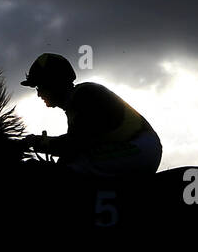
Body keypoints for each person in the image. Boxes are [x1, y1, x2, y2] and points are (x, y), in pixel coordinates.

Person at [18, 53, 162, 177]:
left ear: (55, 83)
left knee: (74, 167)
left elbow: (74, 146)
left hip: (139, 148)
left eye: (40, 86)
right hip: (138, 148)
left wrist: (34, 143)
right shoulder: (76, 102)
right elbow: (74, 147)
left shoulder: (85, 95)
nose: (38, 94)